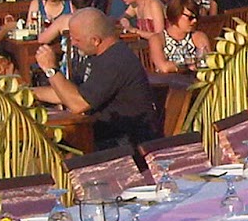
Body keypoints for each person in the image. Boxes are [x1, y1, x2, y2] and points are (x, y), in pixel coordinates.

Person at [31, 9, 160, 149]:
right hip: (103, 134)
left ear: (95, 40)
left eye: (76, 39)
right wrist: (30, 93)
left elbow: (77, 104)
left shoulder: (115, 61)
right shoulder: (96, 56)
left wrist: (51, 70)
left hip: (125, 142)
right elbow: (70, 94)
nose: (72, 43)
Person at [159, 0, 211, 70]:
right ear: (176, 15)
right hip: (168, 81)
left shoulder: (199, 37)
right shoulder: (158, 39)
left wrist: (179, 65)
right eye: (190, 17)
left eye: (196, 17)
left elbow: (208, 62)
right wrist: (192, 64)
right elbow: (164, 67)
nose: (194, 21)